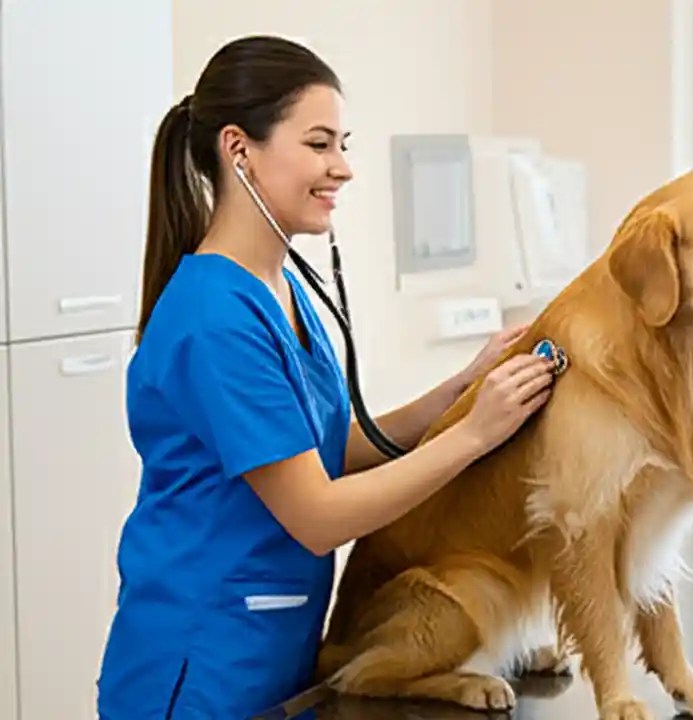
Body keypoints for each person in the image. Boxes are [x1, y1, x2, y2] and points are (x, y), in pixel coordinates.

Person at [95, 35, 555, 719]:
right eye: (319, 144)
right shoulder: (213, 318)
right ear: (238, 148)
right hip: (197, 670)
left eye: (344, 144)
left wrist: (459, 393)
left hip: (273, 654)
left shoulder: (280, 287)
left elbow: (328, 449)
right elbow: (316, 515)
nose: (343, 168)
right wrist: (471, 438)